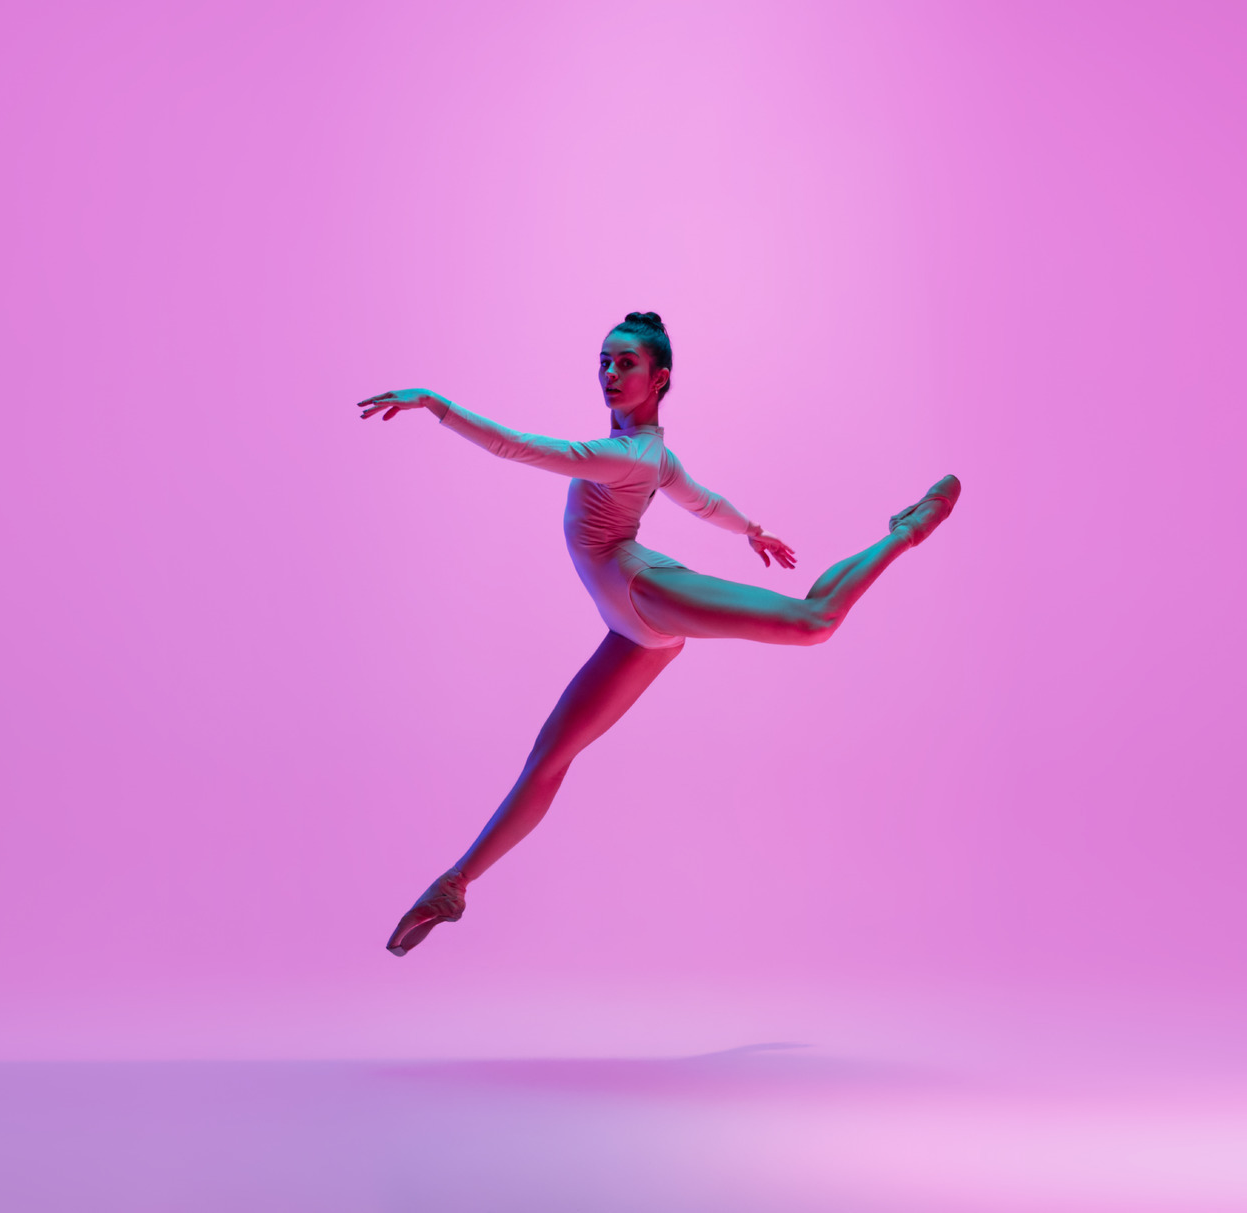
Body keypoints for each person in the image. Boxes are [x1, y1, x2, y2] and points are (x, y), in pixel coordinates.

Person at [357, 312, 959, 955]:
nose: (610, 374)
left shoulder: (625, 455)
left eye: (627, 364)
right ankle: (455, 884)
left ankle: (905, 530)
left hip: (644, 591)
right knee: (548, 762)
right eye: (605, 362)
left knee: (814, 622)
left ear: (658, 377)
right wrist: (750, 528)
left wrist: (434, 403)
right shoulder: (652, 455)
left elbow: (516, 446)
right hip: (630, 628)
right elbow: (699, 499)